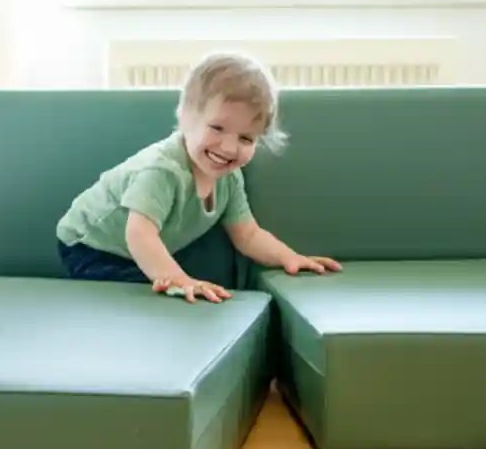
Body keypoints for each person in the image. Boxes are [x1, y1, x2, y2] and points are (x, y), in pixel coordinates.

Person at [55, 52, 341, 303]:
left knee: (174, 294)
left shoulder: (229, 178)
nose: (229, 148)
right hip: (90, 245)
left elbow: (248, 234)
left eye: (245, 138)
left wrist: (288, 257)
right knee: (165, 297)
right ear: (185, 118)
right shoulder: (163, 171)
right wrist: (179, 280)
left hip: (133, 248)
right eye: (217, 128)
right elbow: (139, 233)